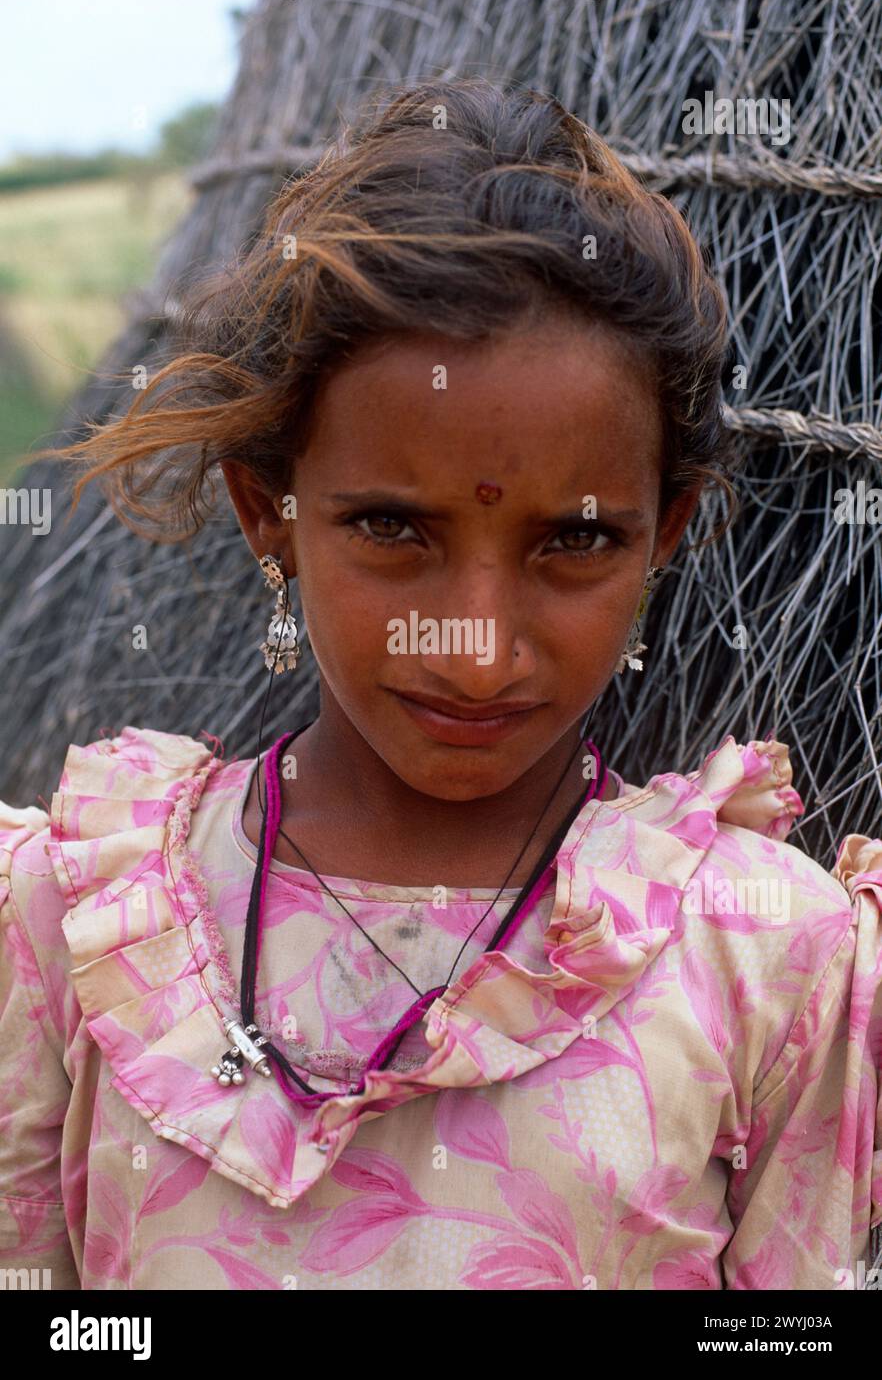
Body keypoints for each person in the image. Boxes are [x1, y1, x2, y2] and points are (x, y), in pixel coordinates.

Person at [0, 79, 879, 1291]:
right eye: (390, 529)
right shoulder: (73, 930)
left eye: (573, 542)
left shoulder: (770, 960)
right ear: (271, 511)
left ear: (664, 532)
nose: (476, 646)